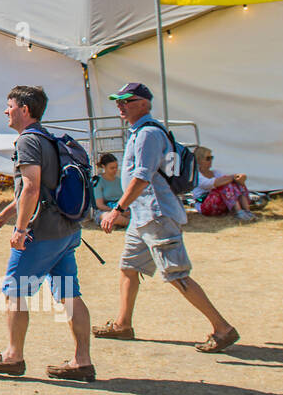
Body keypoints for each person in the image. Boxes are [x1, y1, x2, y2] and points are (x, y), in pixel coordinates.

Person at [94, 83, 240, 352]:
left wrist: (117, 209)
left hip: (155, 213)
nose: (120, 105)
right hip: (144, 215)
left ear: (144, 104)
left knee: (176, 274)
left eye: (127, 100)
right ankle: (122, 324)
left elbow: (142, 176)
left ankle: (222, 328)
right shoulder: (142, 131)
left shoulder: (148, 133)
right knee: (129, 267)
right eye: (118, 100)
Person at [0, 85, 96, 381]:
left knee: (14, 291)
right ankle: (82, 361)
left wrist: (19, 230)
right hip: (66, 230)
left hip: (41, 233)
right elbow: (38, 189)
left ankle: (13, 356)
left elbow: (30, 187)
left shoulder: (27, 141)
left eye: (10, 106)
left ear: (24, 110)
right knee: (70, 294)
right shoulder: (49, 139)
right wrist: (5, 215)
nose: (6, 111)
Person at [193, 147, 255, 221]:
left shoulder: (216, 172)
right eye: (208, 158)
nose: (211, 161)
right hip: (204, 205)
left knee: (233, 183)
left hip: (219, 204)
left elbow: (232, 181)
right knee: (225, 183)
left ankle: (247, 210)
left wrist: (241, 178)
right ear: (199, 160)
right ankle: (239, 211)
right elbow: (208, 184)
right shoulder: (196, 175)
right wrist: (233, 177)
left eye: (211, 158)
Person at [92, 152, 128, 227]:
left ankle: (122, 222)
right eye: (112, 168)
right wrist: (117, 211)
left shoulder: (120, 181)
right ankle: (128, 223)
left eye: (116, 167)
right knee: (107, 216)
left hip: (121, 209)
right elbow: (100, 205)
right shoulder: (98, 182)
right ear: (103, 167)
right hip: (105, 211)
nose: (115, 170)